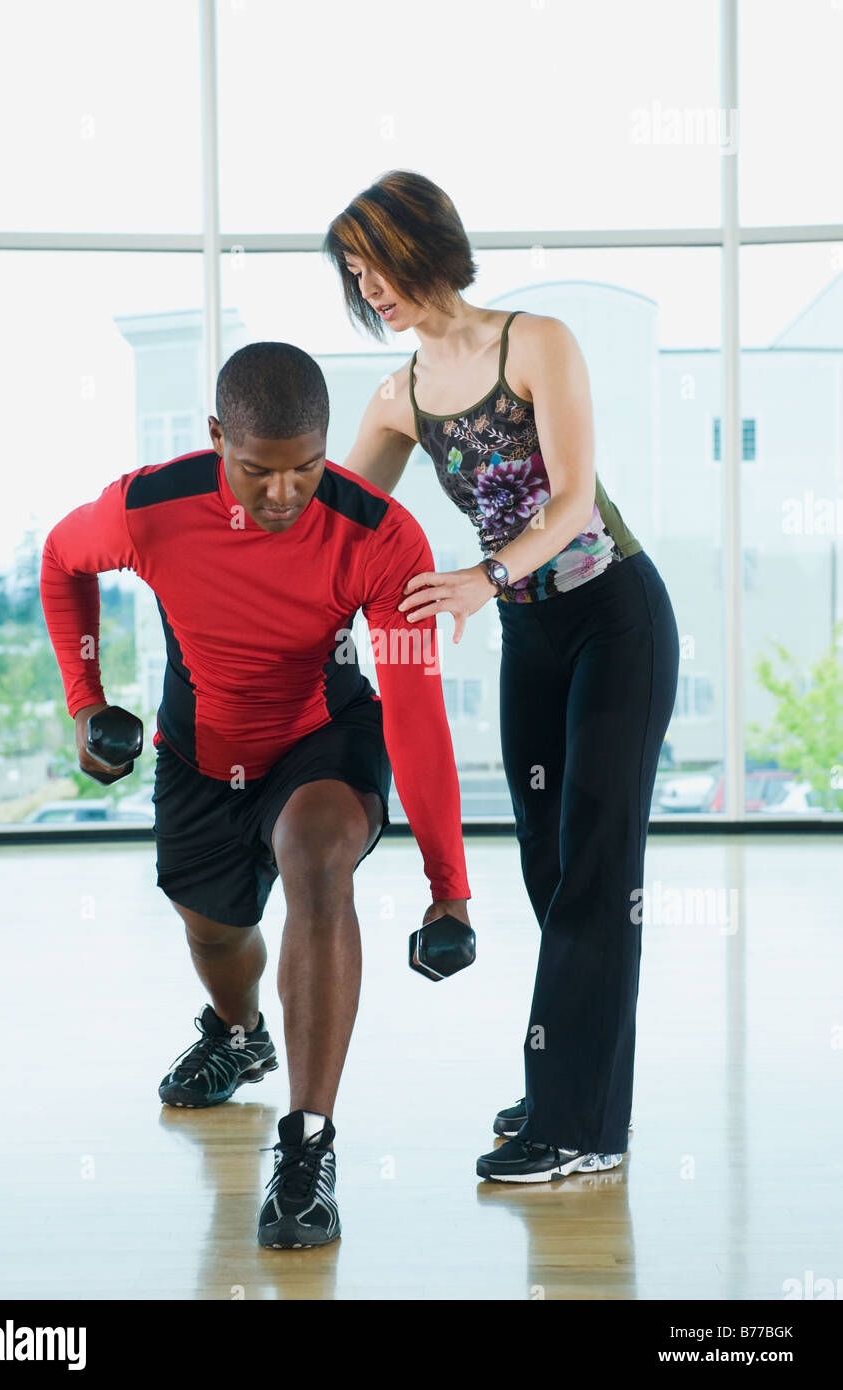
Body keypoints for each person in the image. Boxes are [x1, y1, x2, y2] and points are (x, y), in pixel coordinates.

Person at [39, 341, 472, 1246]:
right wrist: (85, 706)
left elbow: (416, 711)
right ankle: (240, 1034)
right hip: (201, 750)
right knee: (213, 926)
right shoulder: (148, 507)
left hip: (323, 737)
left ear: (326, 449)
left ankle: (307, 1149)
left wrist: (448, 887)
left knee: (317, 862)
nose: (282, 496)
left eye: (305, 470)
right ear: (214, 440)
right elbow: (61, 562)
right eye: (257, 472)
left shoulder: (382, 537)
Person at [326, 169, 680, 1182]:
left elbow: (570, 503)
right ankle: (564, 1081)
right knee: (547, 871)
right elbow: (342, 519)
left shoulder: (534, 342)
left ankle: (580, 1129)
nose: (368, 286)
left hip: (613, 618)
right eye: (352, 272)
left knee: (595, 873)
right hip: (529, 637)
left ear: (421, 241)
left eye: (374, 260)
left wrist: (479, 578)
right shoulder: (397, 395)